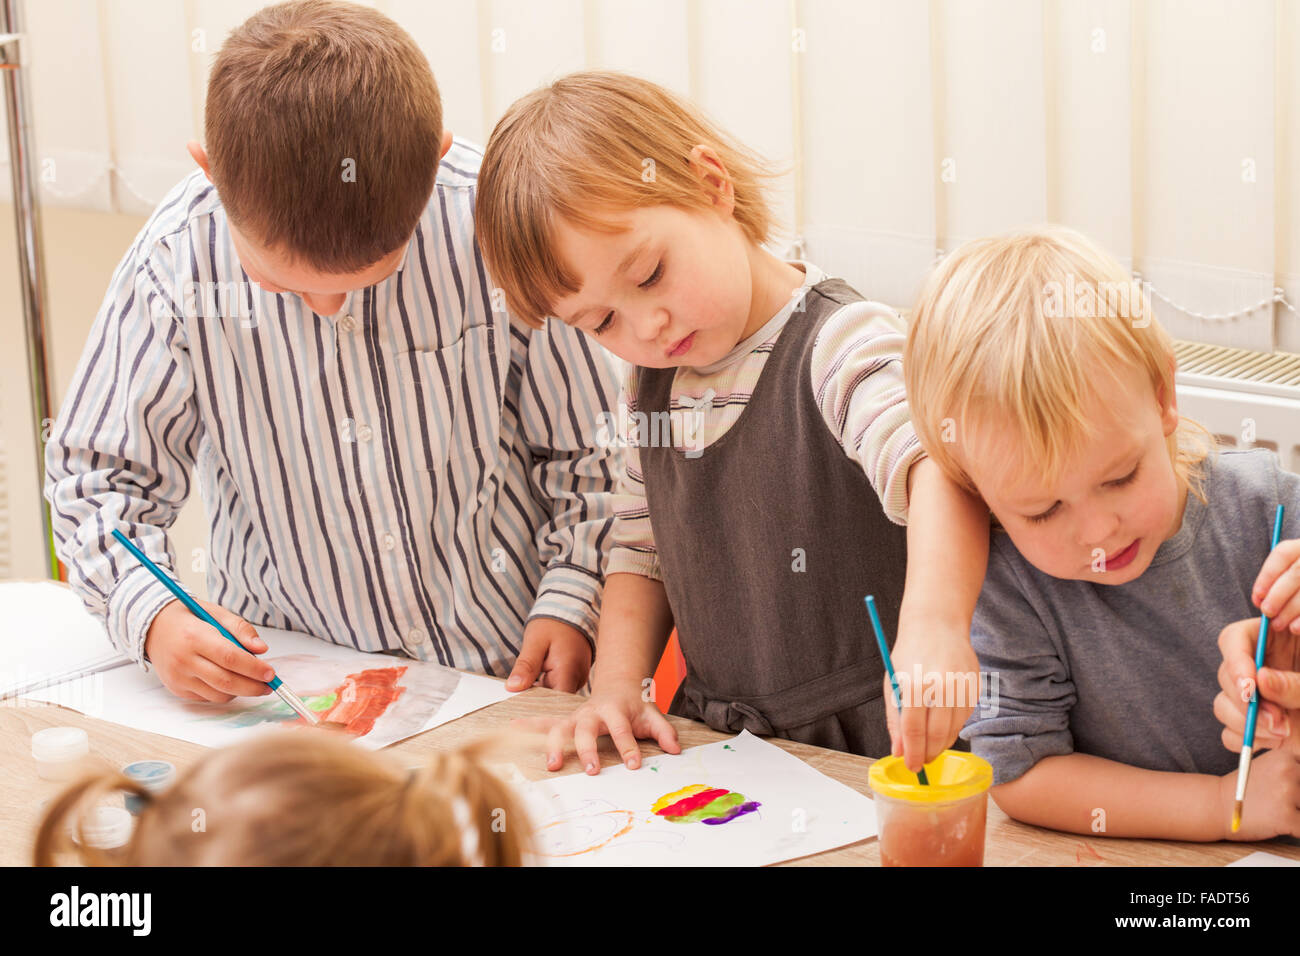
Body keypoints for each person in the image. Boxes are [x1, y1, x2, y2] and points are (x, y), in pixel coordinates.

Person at [45, 1, 618, 704]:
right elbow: (97, 483)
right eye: (281, 282)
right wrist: (153, 613)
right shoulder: (175, 261)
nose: (328, 307)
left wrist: (573, 593)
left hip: (502, 669)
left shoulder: (493, 223)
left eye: (373, 276)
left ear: (434, 163)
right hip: (290, 685)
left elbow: (596, 453)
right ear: (210, 172)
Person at [476, 71, 992, 770]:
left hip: (880, 748)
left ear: (712, 184)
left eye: (650, 274)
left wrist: (936, 628)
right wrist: (618, 686)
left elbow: (938, 472)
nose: (647, 326)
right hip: (729, 749)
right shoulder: (649, 389)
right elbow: (641, 550)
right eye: (601, 322)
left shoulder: (839, 343)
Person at [905, 224, 1300, 840]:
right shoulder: (1007, 580)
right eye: (1042, 510)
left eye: (1119, 478)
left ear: (1163, 397)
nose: (1097, 532)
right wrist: (1221, 805)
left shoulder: (1266, 504)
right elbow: (1022, 772)